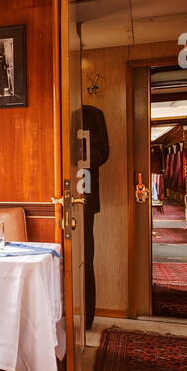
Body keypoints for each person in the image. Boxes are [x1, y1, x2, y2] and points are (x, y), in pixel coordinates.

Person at [78, 103, 109, 330]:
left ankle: (87, 318)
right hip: (55, 197)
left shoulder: (92, 113)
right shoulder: (54, 109)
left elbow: (102, 152)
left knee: (86, 258)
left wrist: (77, 153)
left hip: (84, 196)